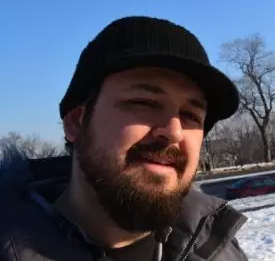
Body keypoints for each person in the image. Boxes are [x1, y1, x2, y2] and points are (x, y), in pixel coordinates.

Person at [0, 16, 248, 261]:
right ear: (76, 123)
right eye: (144, 102)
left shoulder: (217, 249)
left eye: (191, 115)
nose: (174, 132)